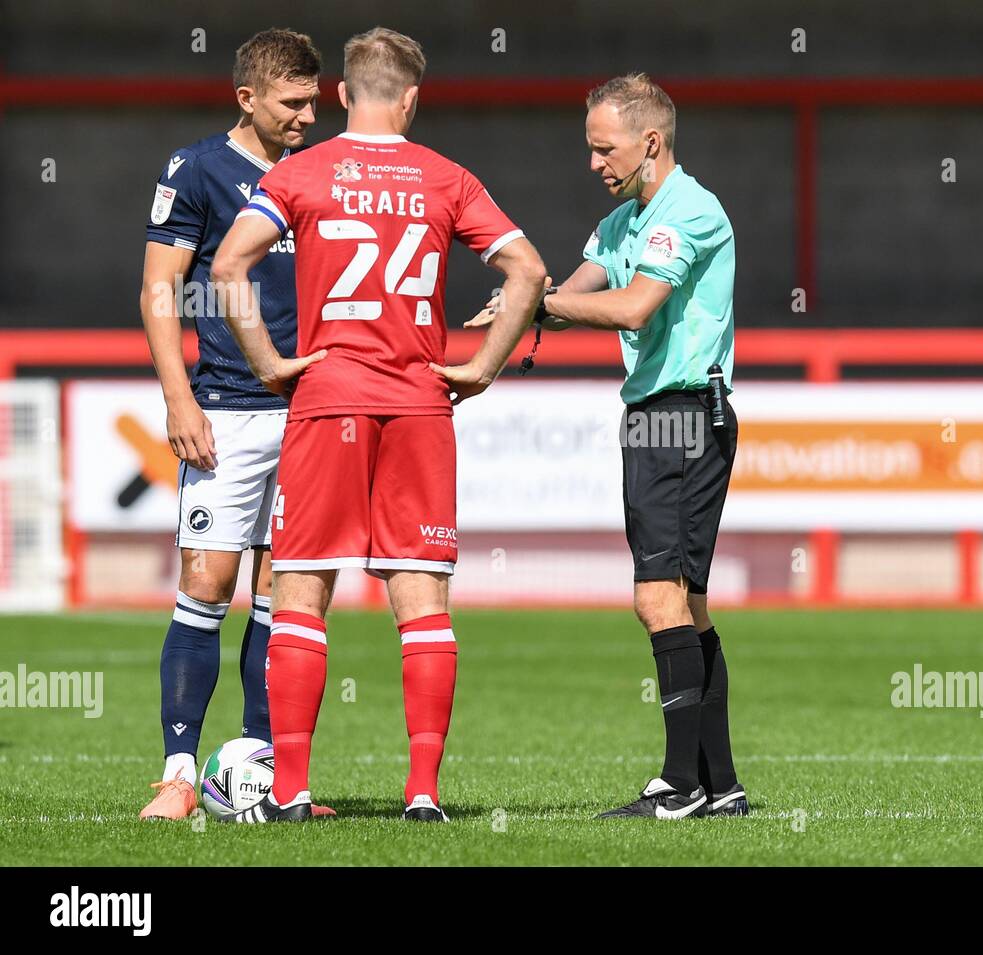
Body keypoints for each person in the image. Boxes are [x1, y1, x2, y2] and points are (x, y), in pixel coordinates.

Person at [211, 26, 546, 823]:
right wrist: (483, 365)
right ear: (412, 98)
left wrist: (266, 360)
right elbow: (527, 270)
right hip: (420, 401)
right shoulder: (445, 177)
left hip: (327, 399)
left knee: (299, 591)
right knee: (421, 597)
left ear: (340, 94)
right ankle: (423, 792)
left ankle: (289, 790)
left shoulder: (303, 171)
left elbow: (228, 265)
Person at [471, 73, 745, 819]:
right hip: (657, 419)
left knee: (657, 598)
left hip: (684, 416)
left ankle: (679, 786)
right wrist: (525, 301)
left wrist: (542, 301)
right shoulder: (623, 222)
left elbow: (630, 305)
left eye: (604, 148)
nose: (593, 162)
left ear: (650, 142)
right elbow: (578, 291)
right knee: (687, 605)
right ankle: (719, 787)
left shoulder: (689, 210)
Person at [137, 28, 333, 821]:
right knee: (207, 583)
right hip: (225, 407)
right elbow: (160, 290)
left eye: (316, 101)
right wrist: (179, 400)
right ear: (247, 98)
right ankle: (179, 773)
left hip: (316, 412)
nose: (308, 118)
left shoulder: (325, 173)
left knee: (285, 594)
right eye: (293, 103)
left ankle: (263, 774)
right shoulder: (196, 171)